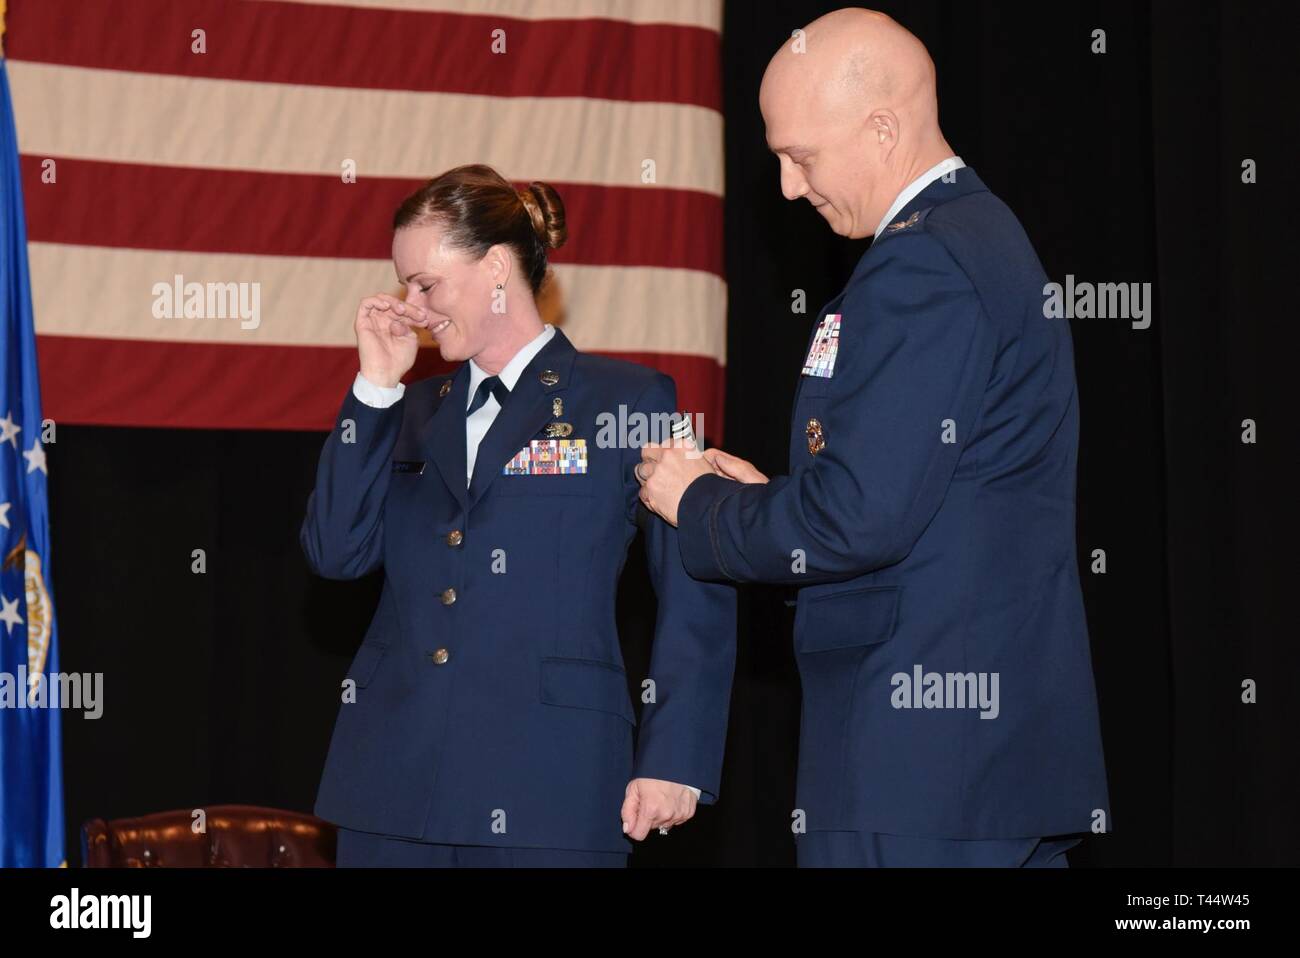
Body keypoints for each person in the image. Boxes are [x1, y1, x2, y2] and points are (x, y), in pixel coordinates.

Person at [637, 8, 1110, 867]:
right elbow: (922, 501)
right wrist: (765, 504)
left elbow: (860, 519)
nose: (786, 186)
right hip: (978, 760)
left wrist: (698, 505)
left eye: (801, 156)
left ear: (884, 128)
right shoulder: (982, 238)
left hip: (920, 759)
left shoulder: (923, 264)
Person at [301, 164, 736, 867]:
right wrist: (375, 389)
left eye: (427, 284)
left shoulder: (628, 400)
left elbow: (695, 584)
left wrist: (677, 756)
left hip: (548, 783)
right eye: (403, 284)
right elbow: (334, 553)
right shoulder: (407, 411)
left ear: (497, 267)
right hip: (390, 787)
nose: (411, 305)